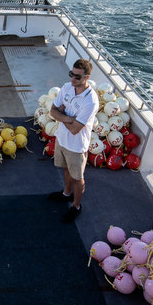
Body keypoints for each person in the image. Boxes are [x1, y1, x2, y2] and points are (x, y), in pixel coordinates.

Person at [48, 58, 99, 223]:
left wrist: (61, 116)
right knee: (65, 169)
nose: (72, 79)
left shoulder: (90, 101)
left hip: (76, 146)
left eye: (77, 77)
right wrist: (70, 118)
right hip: (62, 139)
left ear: (87, 78)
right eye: (71, 74)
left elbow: (76, 130)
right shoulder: (66, 87)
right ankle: (66, 194)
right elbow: (52, 111)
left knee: (78, 177)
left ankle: (76, 206)